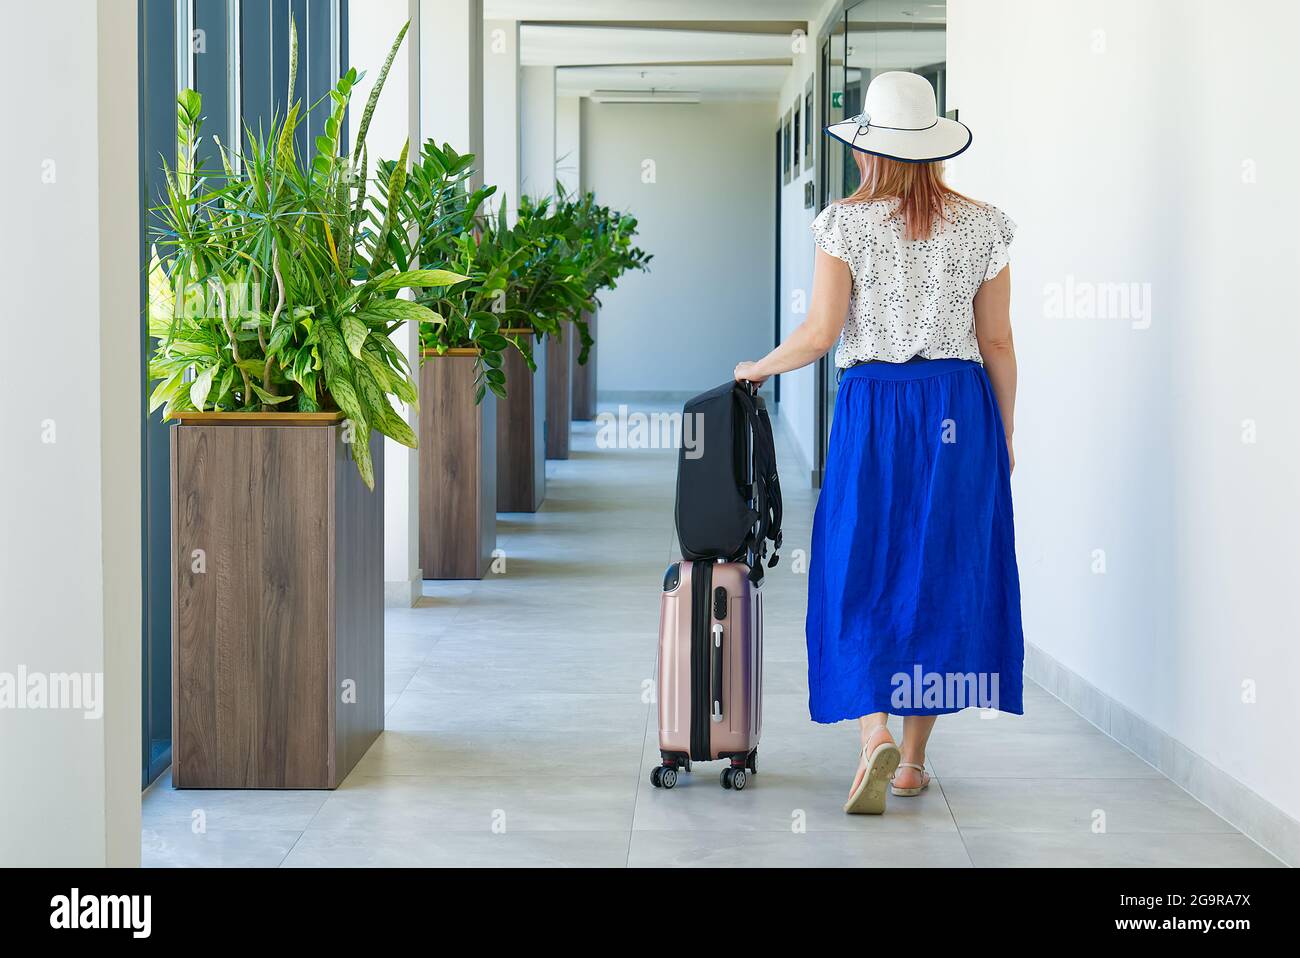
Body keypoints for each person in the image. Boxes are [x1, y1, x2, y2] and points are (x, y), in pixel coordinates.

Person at [733, 71, 1024, 815]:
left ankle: (873, 738)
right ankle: (912, 767)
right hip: (960, 409)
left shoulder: (845, 223)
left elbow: (822, 335)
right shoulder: (985, 224)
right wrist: (1006, 434)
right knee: (942, 572)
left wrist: (758, 367)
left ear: (870, 152)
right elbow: (996, 340)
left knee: (857, 564)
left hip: (874, 409)